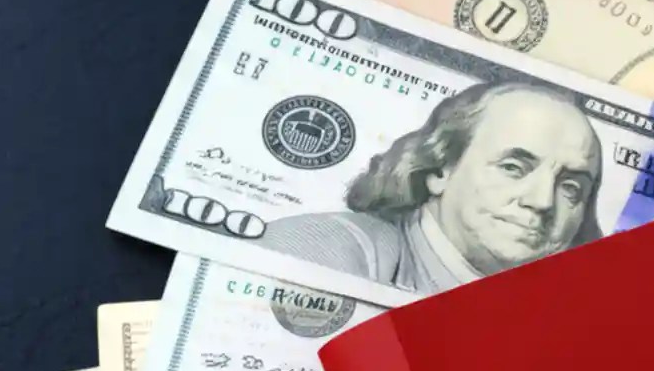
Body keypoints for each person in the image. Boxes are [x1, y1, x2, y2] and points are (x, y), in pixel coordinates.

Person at [254, 81, 604, 294]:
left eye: (570, 188)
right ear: (440, 169)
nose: (542, 201)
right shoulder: (331, 247)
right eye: (513, 168)